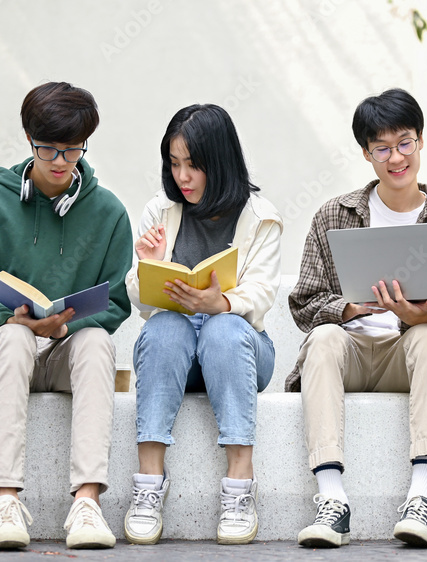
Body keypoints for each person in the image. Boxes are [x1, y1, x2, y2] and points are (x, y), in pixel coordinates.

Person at [287, 88, 427, 548]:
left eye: (404, 143)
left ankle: (422, 497)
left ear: (421, 141)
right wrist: (350, 308)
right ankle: (332, 501)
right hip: (348, 348)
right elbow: (304, 303)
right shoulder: (335, 214)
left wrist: (414, 315)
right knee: (325, 338)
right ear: (366, 153)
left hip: (404, 354)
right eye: (382, 148)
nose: (396, 158)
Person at [0, 82, 132, 550]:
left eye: (72, 151)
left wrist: (66, 325)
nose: (59, 161)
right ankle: (4, 502)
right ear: (29, 139)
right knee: (14, 342)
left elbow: (115, 303)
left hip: (67, 348)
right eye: (48, 148)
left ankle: (88, 505)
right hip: (5, 347)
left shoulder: (109, 212)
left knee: (97, 343)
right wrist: (17, 322)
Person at [123, 104, 283, 545]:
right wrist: (147, 267)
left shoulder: (260, 215)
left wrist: (221, 302)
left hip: (241, 348)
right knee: (165, 327)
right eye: (174, 164)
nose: (183, 177)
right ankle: (149, 484)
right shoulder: (160, 209)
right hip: (175, 353)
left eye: (193, 165)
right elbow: (139, 301)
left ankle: (239, 485)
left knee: (223, 328)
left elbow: (262, 293)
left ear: (221, 162)